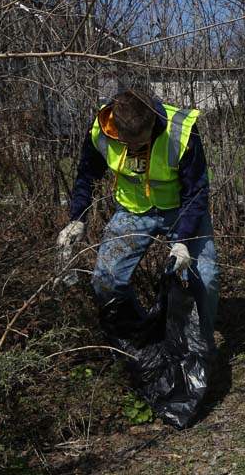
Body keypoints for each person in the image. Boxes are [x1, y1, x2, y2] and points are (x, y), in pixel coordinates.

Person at [55, 88, 219, 349]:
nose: (133, 148)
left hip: (181, 210)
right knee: (106, 280)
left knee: (205, 279)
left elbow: (196, 190)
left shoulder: (181, 131)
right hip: (132, 211)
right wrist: (78, 218)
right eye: (127, 142)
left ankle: (201, 348)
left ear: (153, 121)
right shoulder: (102, 129)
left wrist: (183, 240)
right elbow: (86, 175)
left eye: (140, 143)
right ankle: (139, 343)